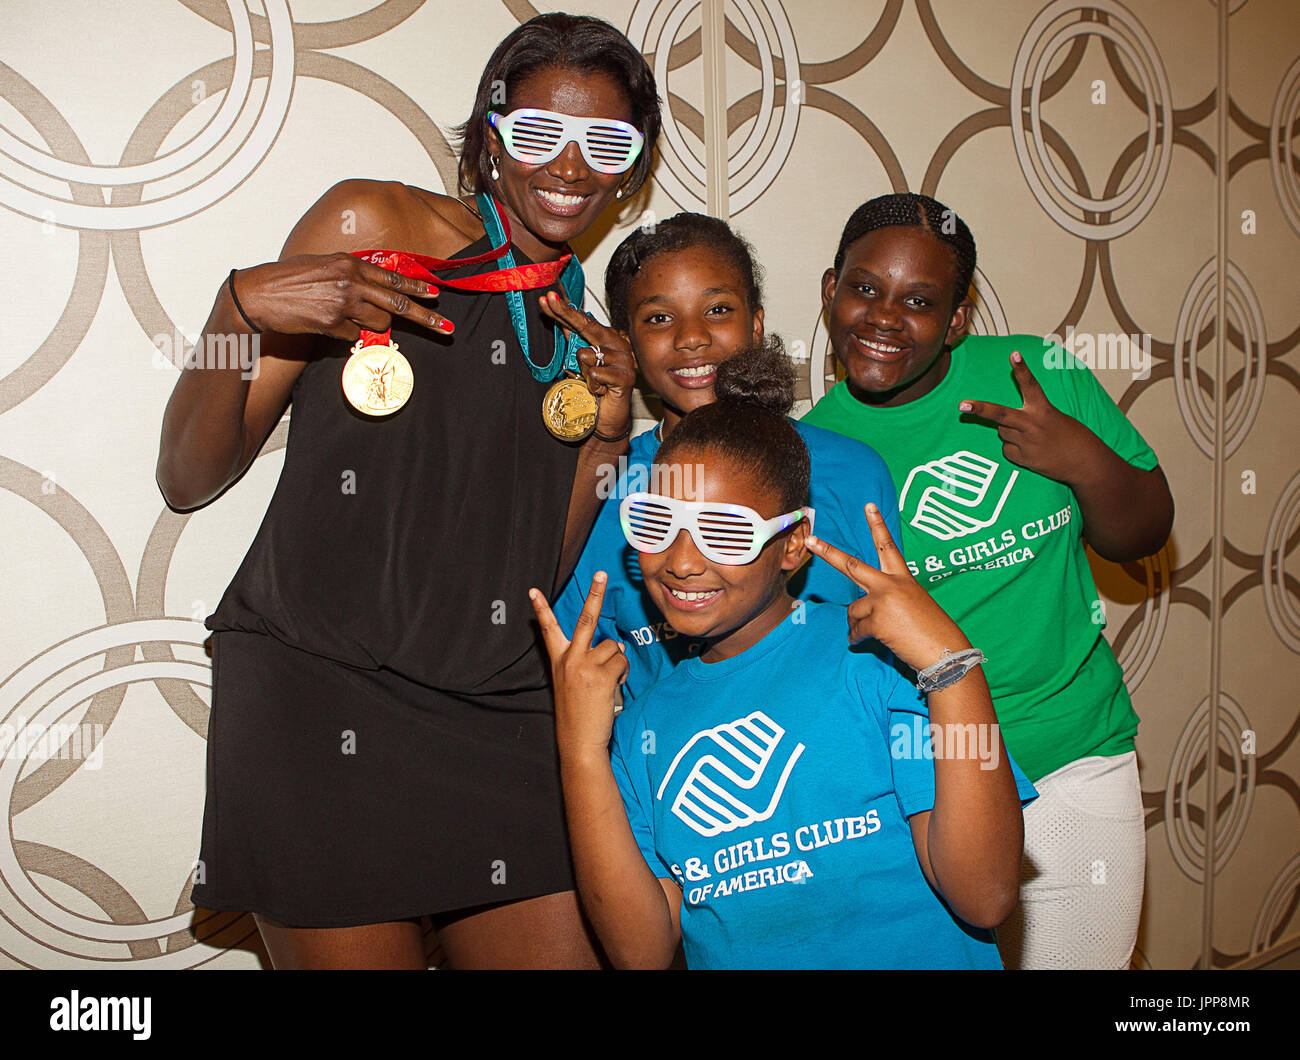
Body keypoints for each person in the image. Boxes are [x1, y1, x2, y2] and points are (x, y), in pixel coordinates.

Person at [156, 13, 661, 969]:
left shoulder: (575, 326)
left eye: (607, 143)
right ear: (489, 134)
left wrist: (606, 428)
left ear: (629, 167)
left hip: (500, 706)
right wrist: (237, 310)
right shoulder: (374, 226)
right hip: (318, 688)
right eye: (539, 131)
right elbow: (188, 475)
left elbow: (534, 570)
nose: (570, 165)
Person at [528, 377, 1037, 968]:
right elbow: (641, 952)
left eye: (724, 530)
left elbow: (986, 895)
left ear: (793, 544)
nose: (683, 560)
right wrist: (581, 751)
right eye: (654, 524)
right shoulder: (641, 731)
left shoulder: (876, 663)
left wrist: (953, 666)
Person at [803, 192, 1175, 969]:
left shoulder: (1039, 373)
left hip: (1072, 751)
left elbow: (1144, 531)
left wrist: (1080, 459)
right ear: (831, 287)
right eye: (864, 288)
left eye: (919, 301)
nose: (882, 317)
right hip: (919, 782)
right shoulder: (811, 452)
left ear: (958, 319)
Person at [553, 213, 900, 703]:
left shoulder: (851, 471)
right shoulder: (601, 490)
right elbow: (580, 673)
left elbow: (895, 641)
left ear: (755, 324)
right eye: (658, 318)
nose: (691, 337)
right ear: (626, 343)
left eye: (717, 310)